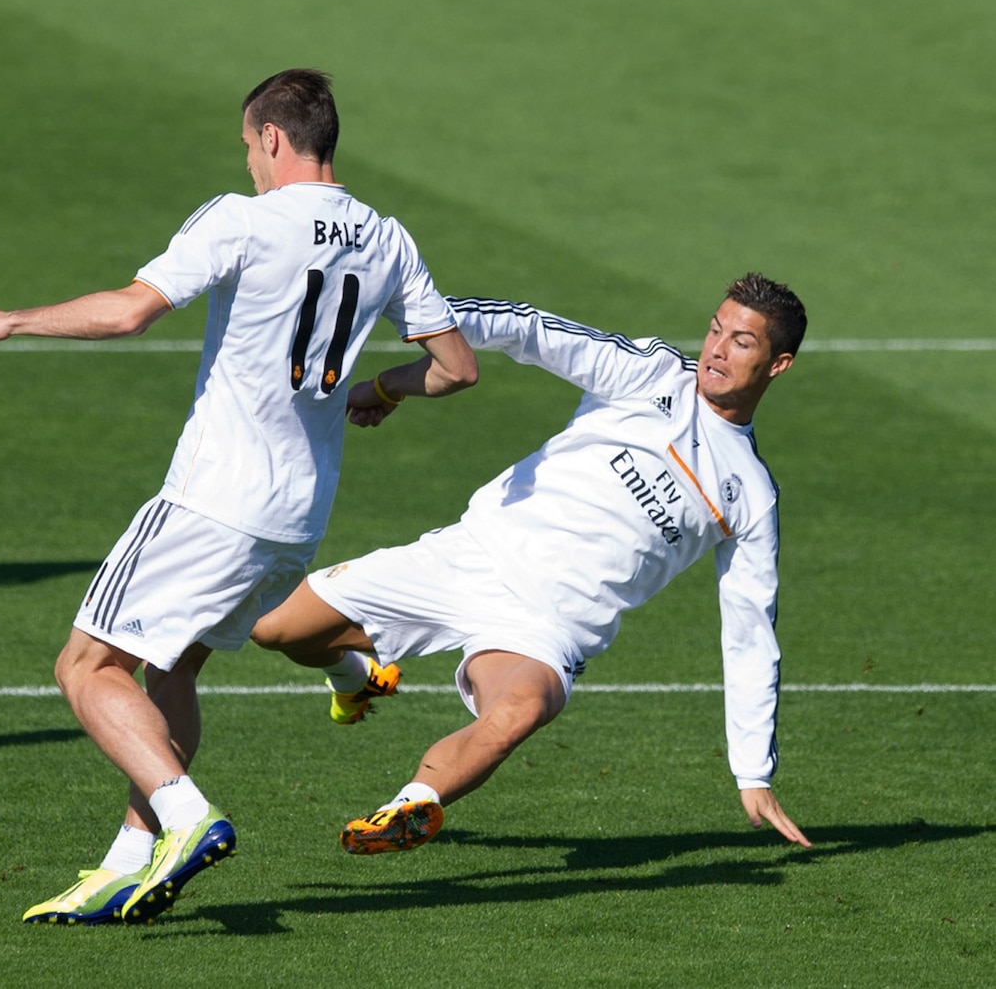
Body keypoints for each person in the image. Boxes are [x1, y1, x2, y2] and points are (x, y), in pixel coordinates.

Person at [0, 69, 479, 924]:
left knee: (86, 667)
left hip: (212, 498)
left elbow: (130, 312)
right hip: (298, 516)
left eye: (248, 146)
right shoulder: (388, 238)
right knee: (174, 670)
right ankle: (126, 864)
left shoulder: (241, 218)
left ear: (273, 137)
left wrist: (13, 317)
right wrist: (381, 388)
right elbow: (458, 368)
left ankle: (187, 814)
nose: (247, 164)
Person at [253, 274, 813, 853]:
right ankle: (355, 678)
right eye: (715, 330)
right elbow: (530, 329)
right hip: (470, 556)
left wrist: (753, 772)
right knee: (274, 629)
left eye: (742, 342)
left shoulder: (749, 493)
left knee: (518, 712)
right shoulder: (650, 375)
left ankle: (409, 806)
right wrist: (429, 325)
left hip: (547, 629)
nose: (716, 350)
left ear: (779, 364)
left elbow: (749, 630)